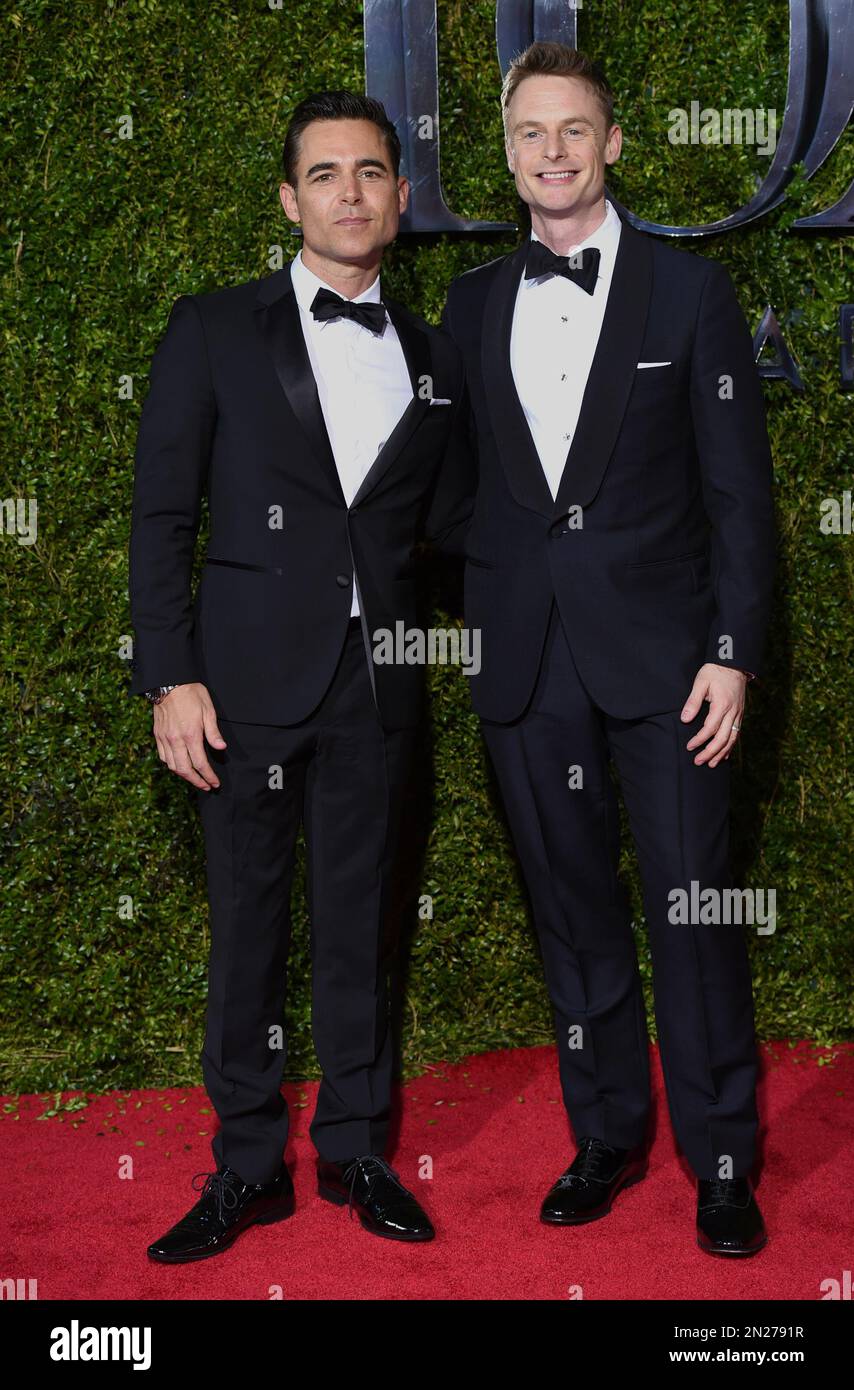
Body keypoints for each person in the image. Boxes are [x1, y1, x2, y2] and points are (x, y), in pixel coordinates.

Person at [440, 42, 775, 1256]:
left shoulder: (690, 294)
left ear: (612, 142)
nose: (551, 151)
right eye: (529, 131)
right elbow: (453, 488)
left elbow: (738, 496)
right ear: (507, 149)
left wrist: (731, 650)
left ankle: (720, 1159)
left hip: (670, 665)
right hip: (526, 660)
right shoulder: (471, 302)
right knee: (571, 913)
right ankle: (606, 1135)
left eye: (572, 129)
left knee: (692, 911)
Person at [129, 90, 474, 1261]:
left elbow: (455, 528)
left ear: (399, 197)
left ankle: (356, 1148)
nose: (348, 193)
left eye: (369, 172)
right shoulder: (212, 329)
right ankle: (245, 1165)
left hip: (376, 688)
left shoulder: (434, 360)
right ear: (289, 199)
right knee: (247, 929)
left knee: (361, 927)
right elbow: (162, 517)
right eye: (324, 174)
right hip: (241, 690)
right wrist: (169, 676)